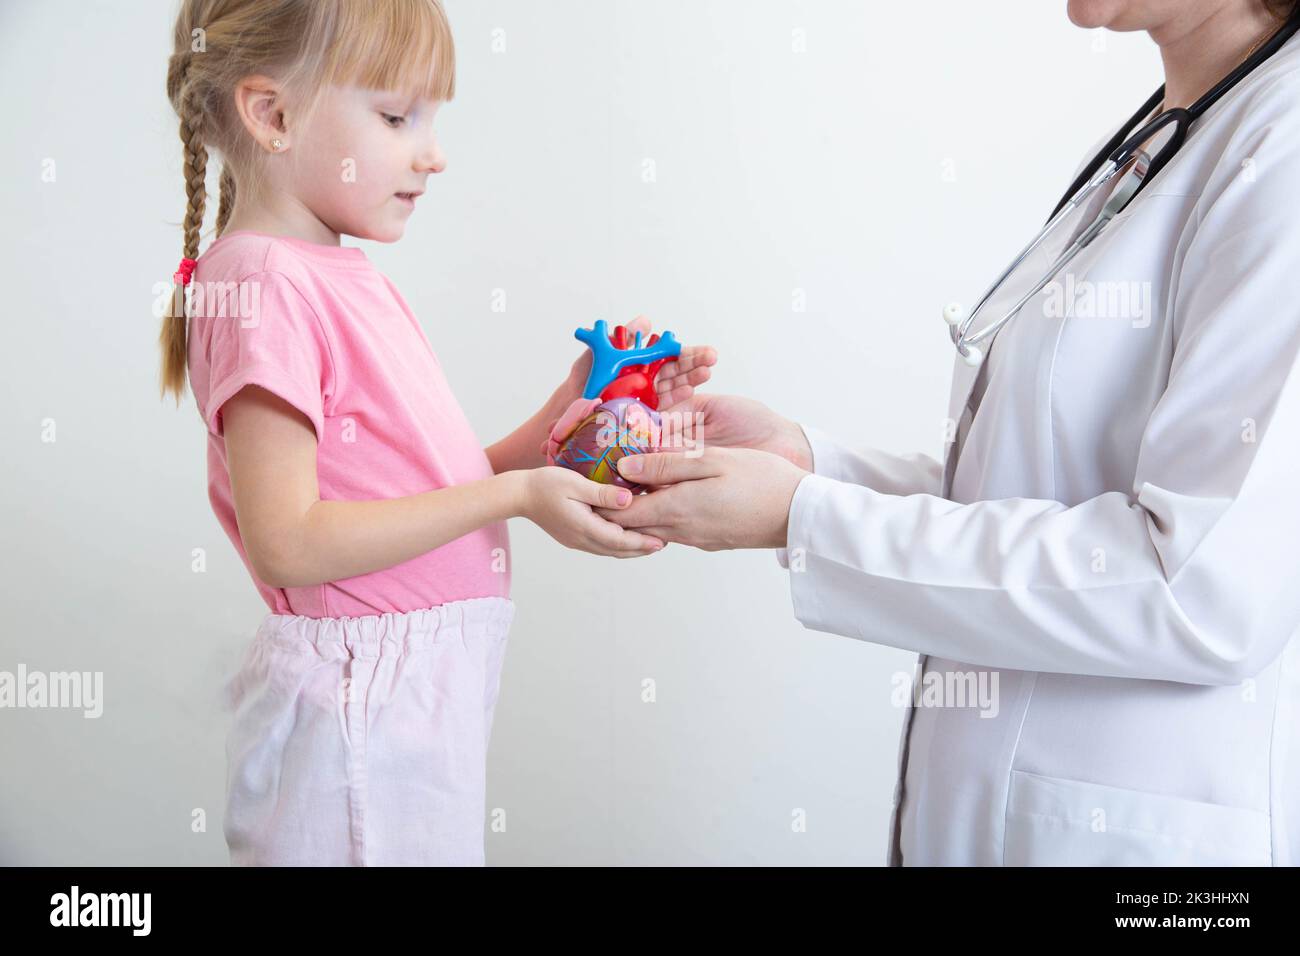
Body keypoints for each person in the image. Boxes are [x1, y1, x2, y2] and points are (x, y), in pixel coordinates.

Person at [597, 0, 1300, 865]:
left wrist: (806, 517)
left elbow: (1197, 588)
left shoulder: (1284, 152)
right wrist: (808, 464)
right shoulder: (1167, 132)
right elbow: (1048, 488)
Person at [157, 0, 716, 865]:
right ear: (271, 115)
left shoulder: (338, 274)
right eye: (395, 117)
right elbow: (288, 542)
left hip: (408, 702)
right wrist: (520, 496)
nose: (433, 153)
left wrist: (567, 410)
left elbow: (425, 490)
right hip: (359, 718)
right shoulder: (265, 284)